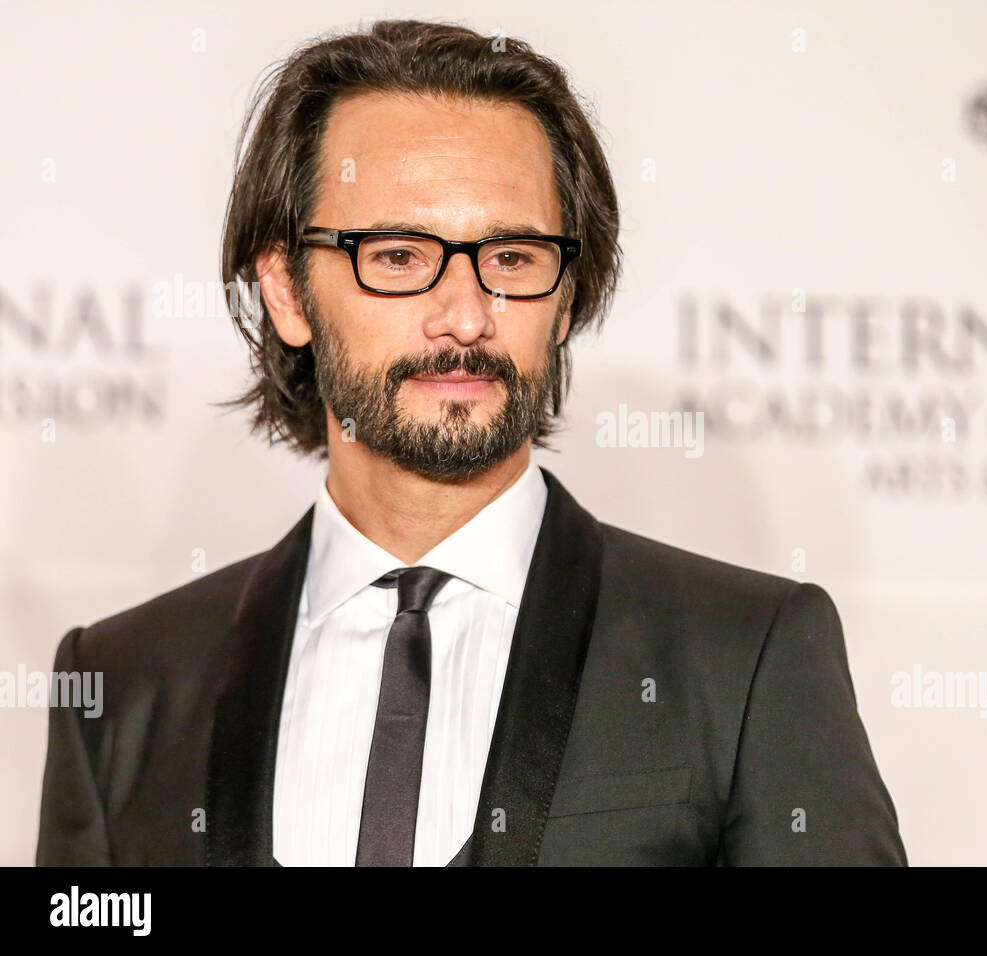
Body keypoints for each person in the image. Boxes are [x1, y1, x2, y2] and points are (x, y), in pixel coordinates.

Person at [35, 19, 905, 866]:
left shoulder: (742, 658)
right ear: (288, 294)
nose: (466, 314)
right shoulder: (122, 685)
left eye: (514, 257)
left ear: (566, 299)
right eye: (401, 255)